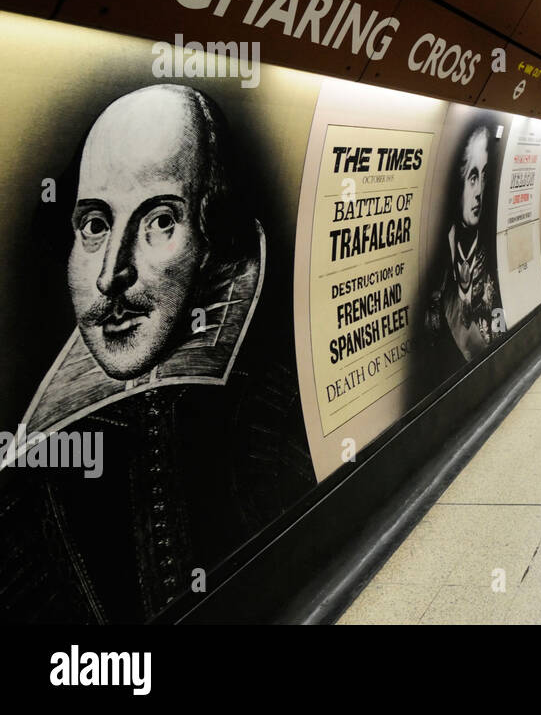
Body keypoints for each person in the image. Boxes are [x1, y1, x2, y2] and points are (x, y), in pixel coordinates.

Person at [0, 84, 314, 623]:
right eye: (95, 226)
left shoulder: (270, 417)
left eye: (160, 221)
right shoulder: (24, 486)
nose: (111, 276)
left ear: (211, 240)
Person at [427, 124, 505, 363]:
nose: (479, 190)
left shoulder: (490, 254)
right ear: (459, 183)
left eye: (483, 176)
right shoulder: (440, 260)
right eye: (472, 177)